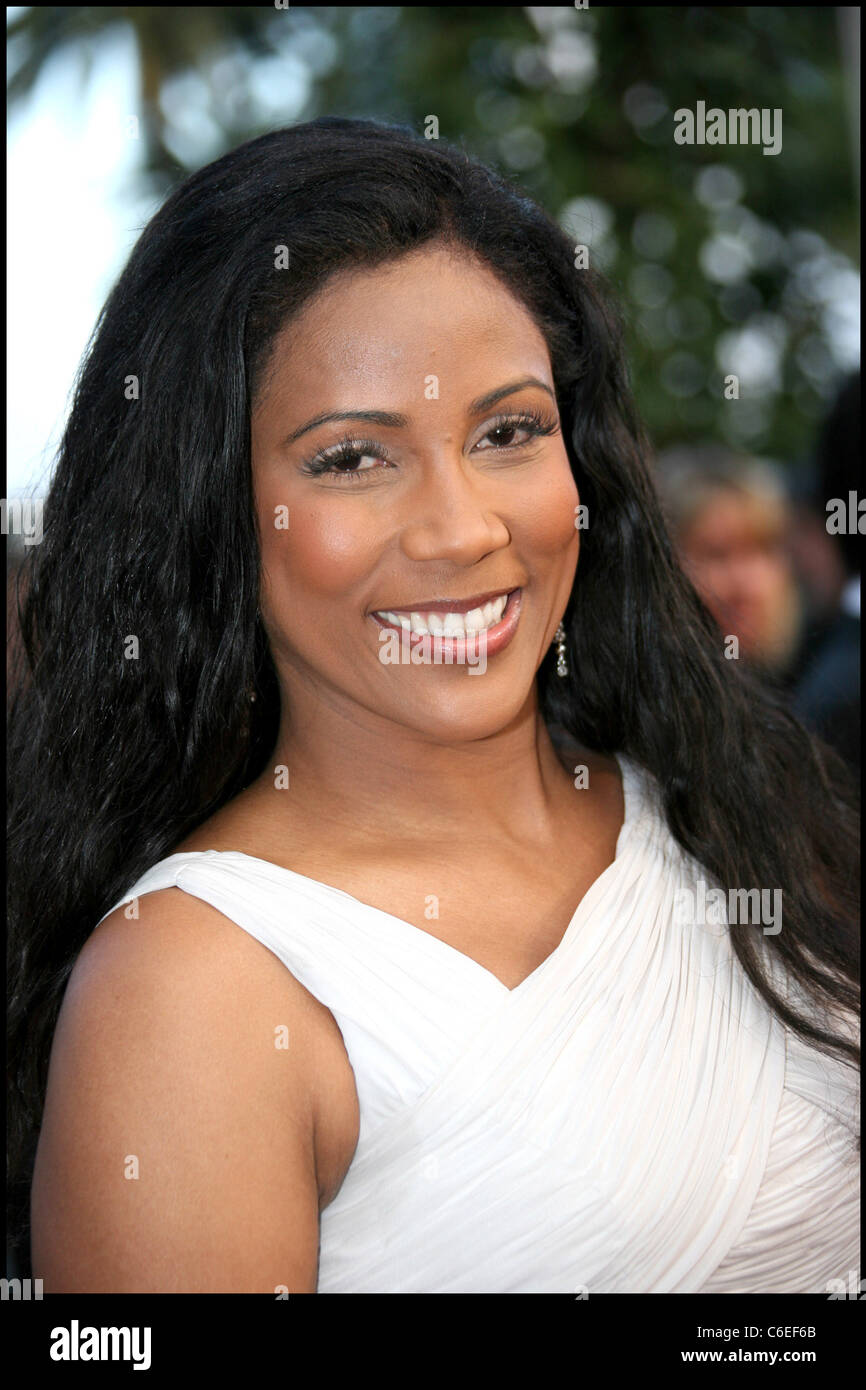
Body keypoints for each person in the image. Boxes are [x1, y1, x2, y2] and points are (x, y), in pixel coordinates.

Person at [8, 118, 858, 1294]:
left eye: (508, 431)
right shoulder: (189, 994)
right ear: (215, 512)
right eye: (351, 458)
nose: (463, 529)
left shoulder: (730, 800)